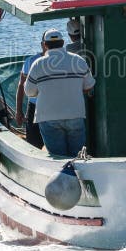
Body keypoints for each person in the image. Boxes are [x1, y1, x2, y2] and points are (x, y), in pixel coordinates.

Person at [25, 29, 95, 157]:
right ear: (63, 42)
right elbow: (89, 86)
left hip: (48, 117)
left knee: (58, 157)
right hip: (75, 114)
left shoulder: (37, 64)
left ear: (45, 45)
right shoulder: (78, 60)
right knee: (78, 156)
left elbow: (29, 92)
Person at [15, 40, 44, 149]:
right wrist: (18, 111)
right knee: (34, 142)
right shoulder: (31, 61)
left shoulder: (32, 61)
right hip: (35, 106)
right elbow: (21, 86)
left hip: (40, 105)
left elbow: (22, 85)